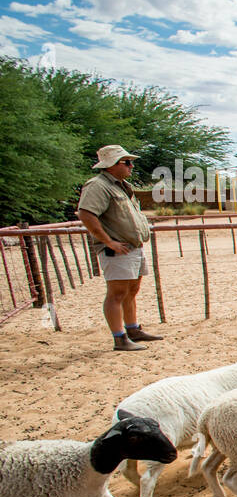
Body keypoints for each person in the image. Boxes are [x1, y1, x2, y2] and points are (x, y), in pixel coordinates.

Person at [76, 144, 162, 351]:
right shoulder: (98, 185)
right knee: (117, 293)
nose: (131, 166)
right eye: (127, 162)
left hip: (131, 246)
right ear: (112, 165)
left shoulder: (119, 185)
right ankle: (119, 338)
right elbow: (86, 214)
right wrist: (108, 241)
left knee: (131, 290)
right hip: (118, 248)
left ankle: (132, 329)